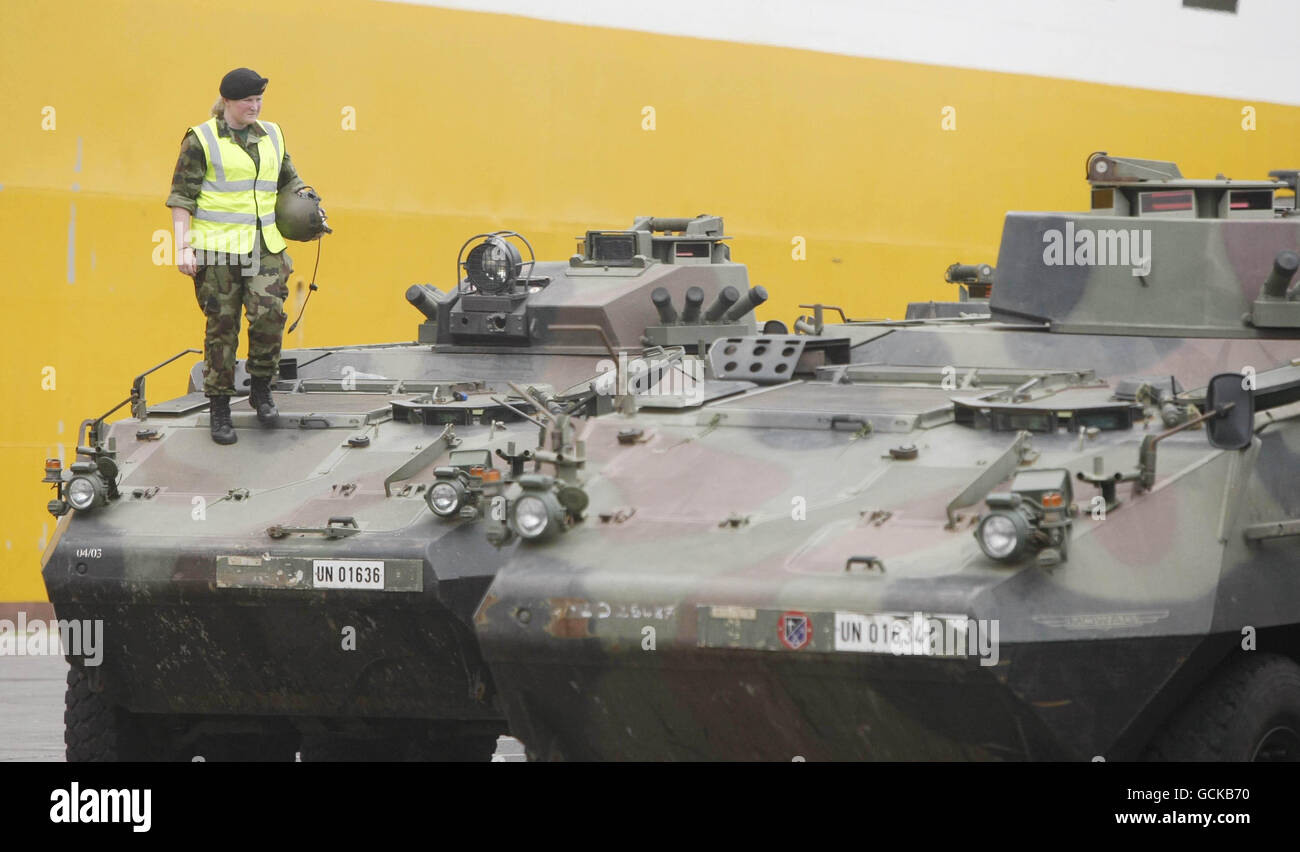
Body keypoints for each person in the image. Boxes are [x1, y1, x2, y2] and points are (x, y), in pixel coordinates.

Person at [166, 67, 313, 444]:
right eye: (248, 100)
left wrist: (309, 205)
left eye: (259, 99)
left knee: (269, 319)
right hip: (218, 252)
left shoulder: (273, 135)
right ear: (227, 101)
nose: (255, 106)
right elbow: (181, 197)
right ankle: (219, 407)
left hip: (265, 247)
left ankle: (261, 389)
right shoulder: (200, 139)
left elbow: (289, 180)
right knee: (222, 328)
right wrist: (182, 245)